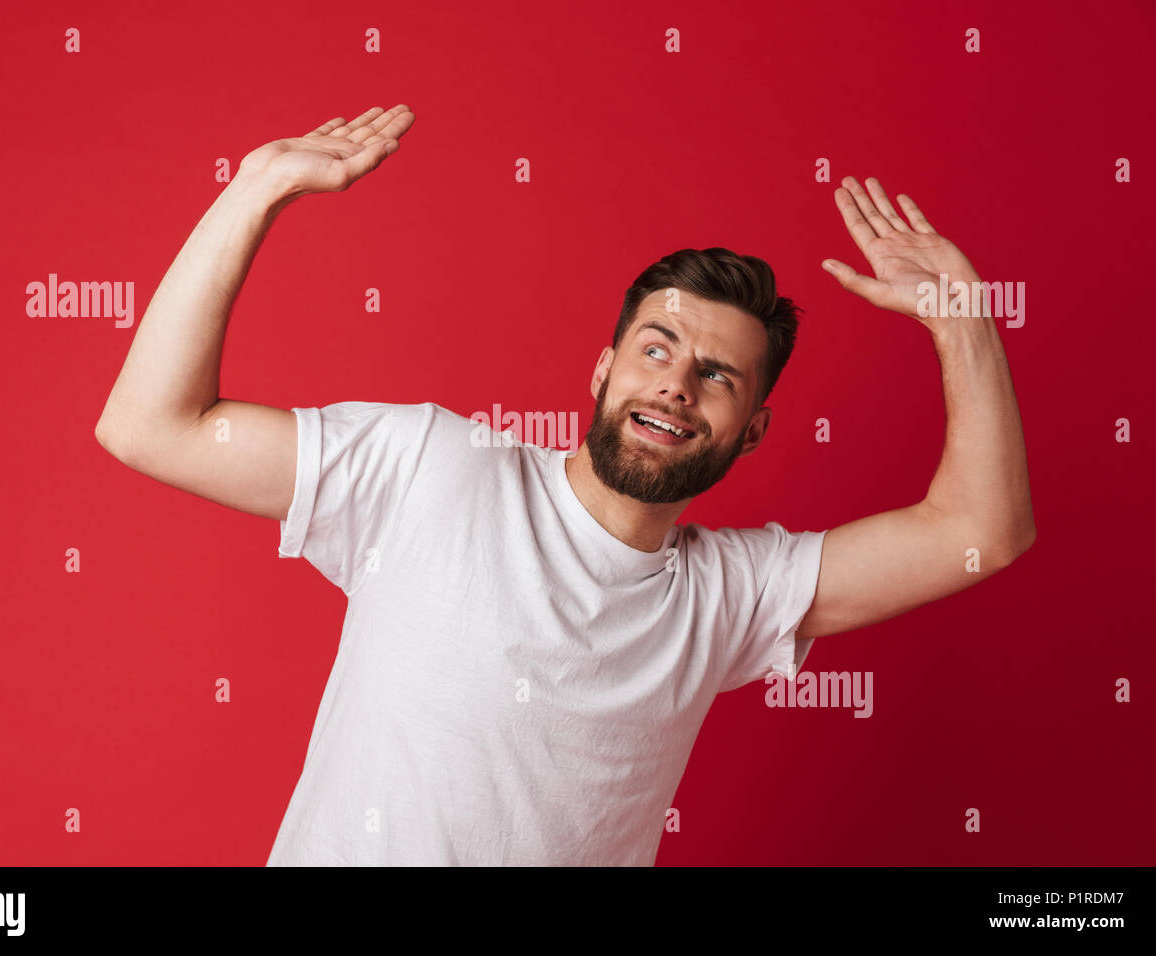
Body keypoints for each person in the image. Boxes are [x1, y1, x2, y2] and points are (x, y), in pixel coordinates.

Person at [94, 104, 1036, 865]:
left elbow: (981, 529)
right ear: (603, 370)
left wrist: (965, 322)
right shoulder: (429, 467)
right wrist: (257, 192)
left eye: (717, 375)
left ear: (753, 431)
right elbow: (150, 428)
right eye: (656, 349)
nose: (675, 383)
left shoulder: (734, 596)